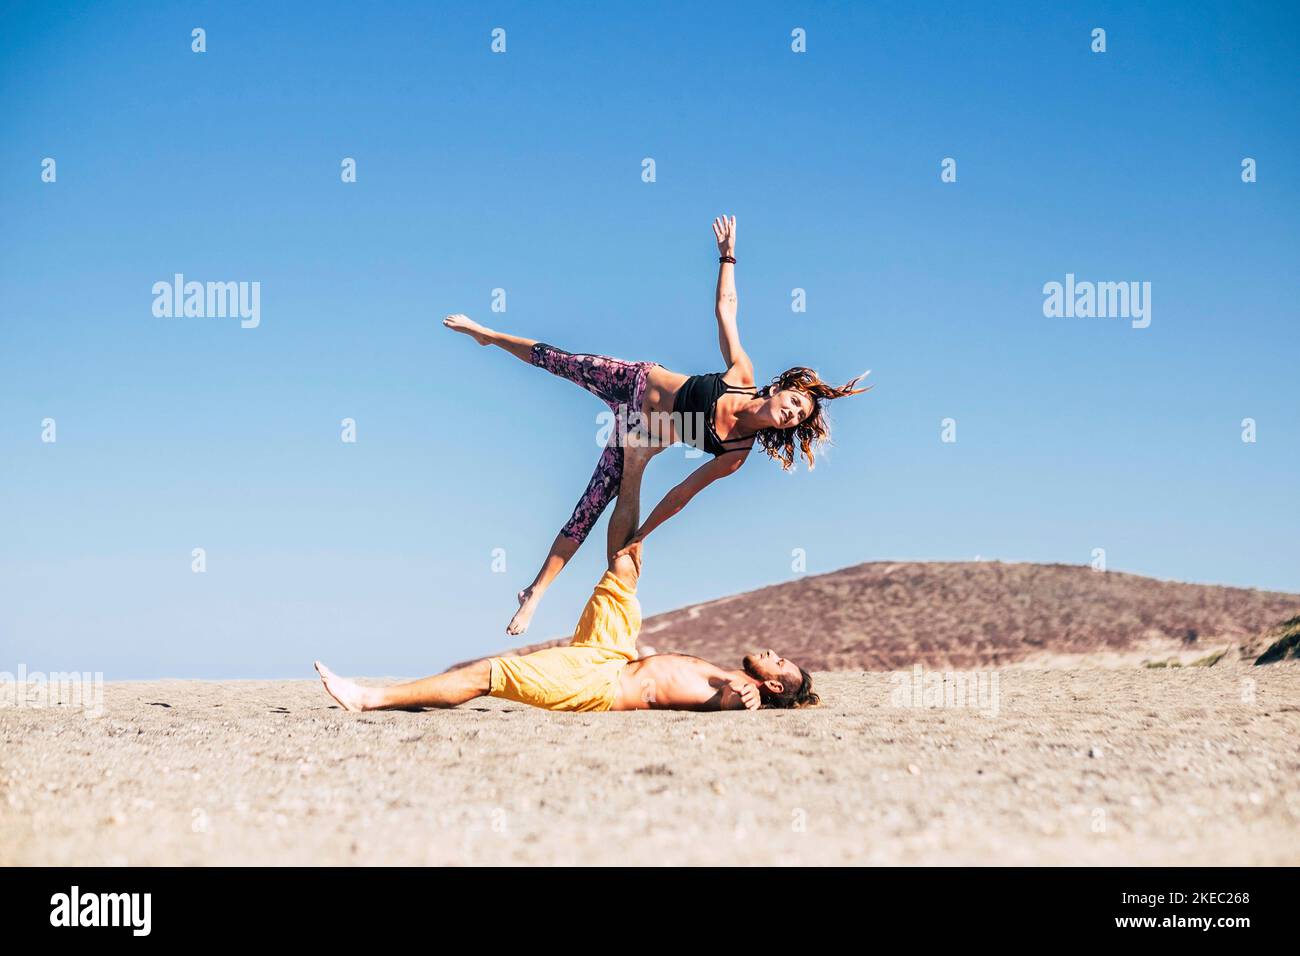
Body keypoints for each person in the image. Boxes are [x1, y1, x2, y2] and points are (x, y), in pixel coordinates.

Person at [443, 215, 868, 635]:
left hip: (637, 435)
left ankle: (535, 593)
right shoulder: (741, 377)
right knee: (560, 360)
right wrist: (728, 258)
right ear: (780, 389)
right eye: (794, 402)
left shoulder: (736, 453)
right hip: (635, 379)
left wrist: (642, 534)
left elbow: (682, 494)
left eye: (798, 417)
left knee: (590, 508)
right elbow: (726, 310)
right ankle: (489, 335)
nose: (792, 413)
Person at [315, 444, 819, 713]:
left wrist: (747, 701)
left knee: (490, 675)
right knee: (626, 564)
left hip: (596, 681)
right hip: (615, 651)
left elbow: (738, 701)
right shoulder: (731, 675)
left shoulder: (741, 689)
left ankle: (370, 697)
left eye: (780, 661)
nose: (773, 651)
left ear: (772, 682)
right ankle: (635, 460)